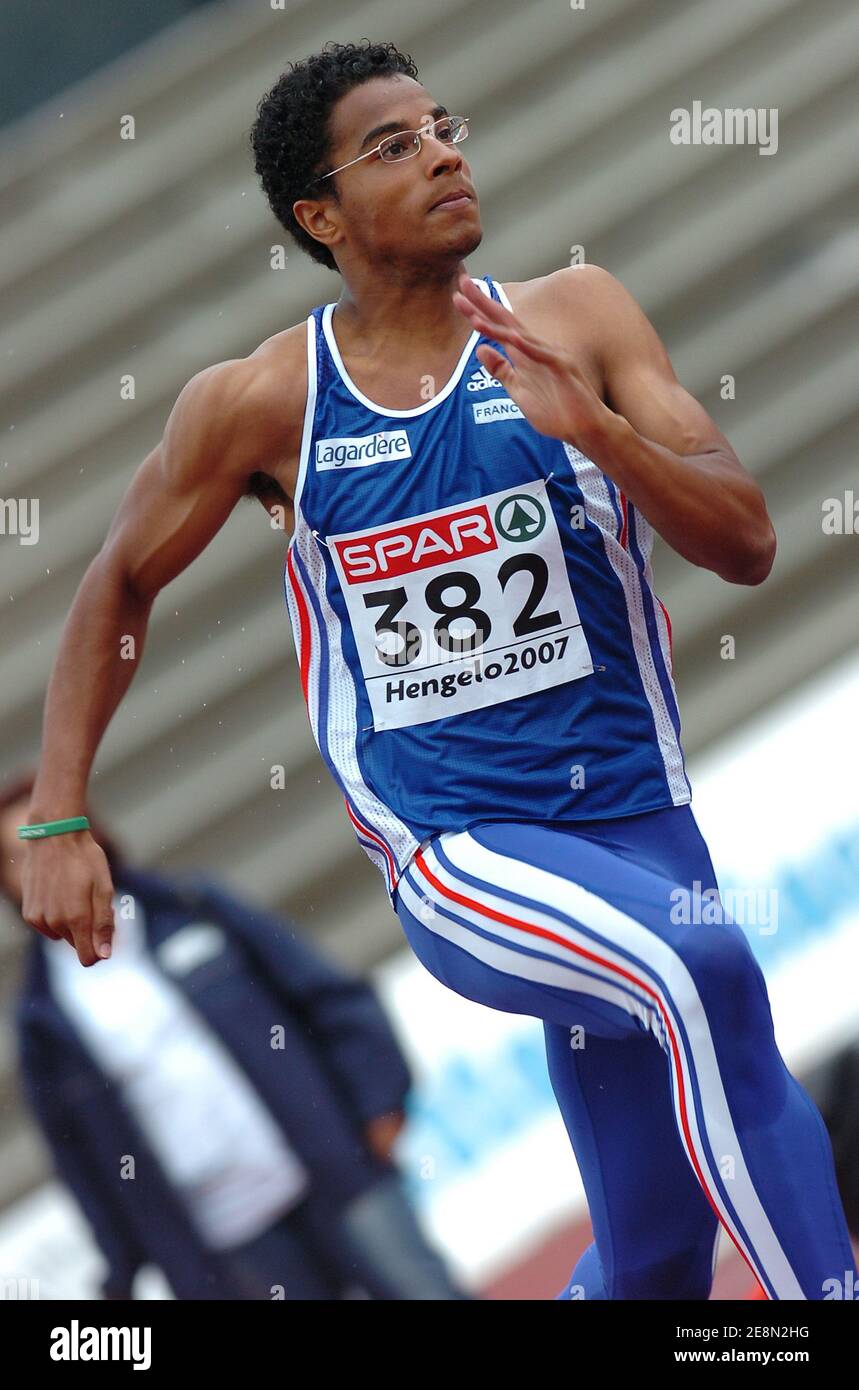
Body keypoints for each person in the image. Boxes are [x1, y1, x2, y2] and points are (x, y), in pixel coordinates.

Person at [18, 39, 855, 1300]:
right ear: (321, 214)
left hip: (640, 827)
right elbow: (118, 581)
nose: (445, 152)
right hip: (460, 848)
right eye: (393, 146)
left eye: (444, 126)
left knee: (655, 1259)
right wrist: (59, 810)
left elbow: (743, 544)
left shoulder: (578, 317)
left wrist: (603, 439)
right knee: (703, 971)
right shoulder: (264, 400)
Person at [2, 773, 470, 1300]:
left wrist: (380, 1104)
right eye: (21, 859)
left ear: (90, 838)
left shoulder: (191, 905)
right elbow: (84, 1167)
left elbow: (327, 993)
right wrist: (124, 1270)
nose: (44, 868)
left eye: (50, 844)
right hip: (232, 1249)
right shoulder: (42, 1021)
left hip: (339, 1170)